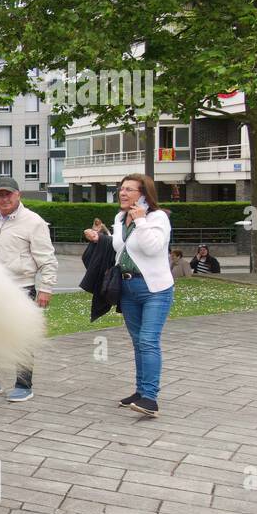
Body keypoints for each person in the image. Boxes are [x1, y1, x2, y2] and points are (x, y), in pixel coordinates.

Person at [85, 173, 173, 417]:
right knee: (137, 342)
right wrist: (100, 238)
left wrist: (142, 221)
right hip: (127, 288)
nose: (122, 193)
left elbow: (152, 247)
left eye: (129, 190)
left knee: (148, 340)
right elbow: (123, 246)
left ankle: (151, 399)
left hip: (155, 289)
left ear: (143, 195)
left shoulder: (157, 218)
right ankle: (140, 392)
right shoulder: (119, 217)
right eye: (121, 189)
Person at [0, 175, 57, 402]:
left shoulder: (33, 221)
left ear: (18, 195)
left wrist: (46, 288)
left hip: (21, 288)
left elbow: (47, 260)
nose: (4, 198)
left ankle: (24, 385)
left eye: (9, 194)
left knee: (22, 338)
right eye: (0, 194)